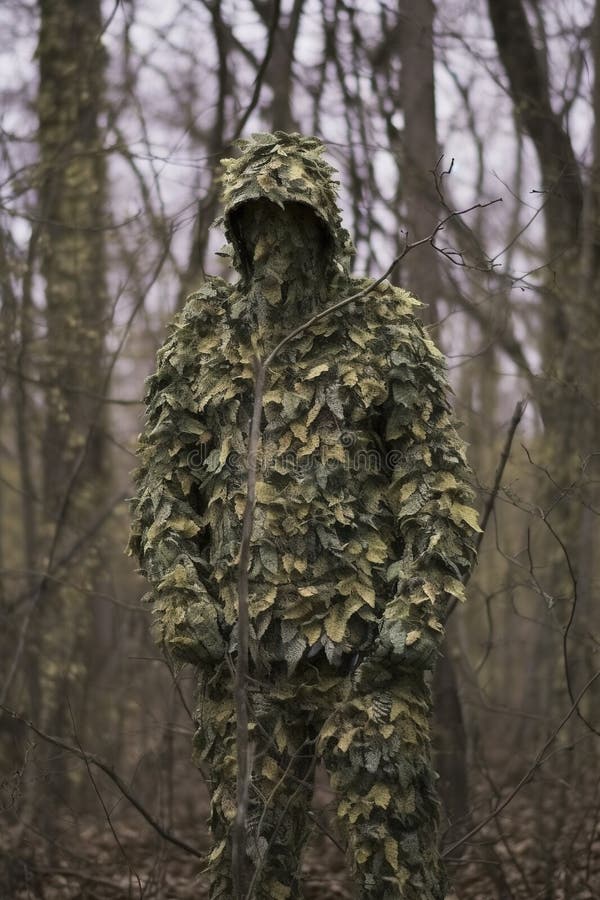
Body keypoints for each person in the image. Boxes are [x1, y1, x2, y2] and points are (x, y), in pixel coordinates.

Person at [128, 131, 479, 900]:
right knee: (248, 871)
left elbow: (440, 484)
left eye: (295, 218)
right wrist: (183, 596)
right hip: (246, 665)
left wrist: (413, 619)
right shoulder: (205, 333)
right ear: (236, 231)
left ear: (325, 226)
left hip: (369, 666)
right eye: (256, 220)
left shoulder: (380, 324)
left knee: (396, 867)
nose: (276, 239)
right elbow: (163, 482)